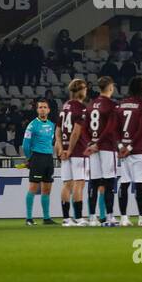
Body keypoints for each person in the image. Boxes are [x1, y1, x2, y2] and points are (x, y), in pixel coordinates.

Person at [116, 76, 142, 226]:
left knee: (124, 183)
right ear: (140, 88)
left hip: (123, 150)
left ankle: (124, 218)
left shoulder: (120, 105)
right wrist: (130, 148)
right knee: (140, 184)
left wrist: (121, 147)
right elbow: (141, 130)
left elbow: (115, 129)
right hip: (138, 150)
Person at [85, 76, 121, 225]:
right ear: (111, 87)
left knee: (93, 182)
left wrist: (91, 143)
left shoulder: (91, 105)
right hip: (107, 147)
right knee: (109, 181)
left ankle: (92, 217)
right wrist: (98, 142)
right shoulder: (112, 105)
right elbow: (110, 128)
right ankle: (109, 216)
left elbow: (84, 128)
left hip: (93, 148)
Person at [56, 78, 89, 225]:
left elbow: (57, 130)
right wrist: (69, 150)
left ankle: (66, 218)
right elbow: (76, 132)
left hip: (64, 150)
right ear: (81, 90)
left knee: (67, 184)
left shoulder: (65, 107)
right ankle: (79, 217)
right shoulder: (81, 108)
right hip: (77, 151)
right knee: (78, 183)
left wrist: (61, 148)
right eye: (85, 88)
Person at [21, 98, 57, 225]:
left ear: (48, 110)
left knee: (47, 189)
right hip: (37, 157)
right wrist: (29, 159)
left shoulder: (52, 125)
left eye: (44, 107)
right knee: (33, 187)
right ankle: (29, 218)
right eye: (40, 107)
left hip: (48, 158)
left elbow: (53, 142)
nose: (42, 109)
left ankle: (46, 218)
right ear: (37, 110)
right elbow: (25, 145)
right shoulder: (32, 125)